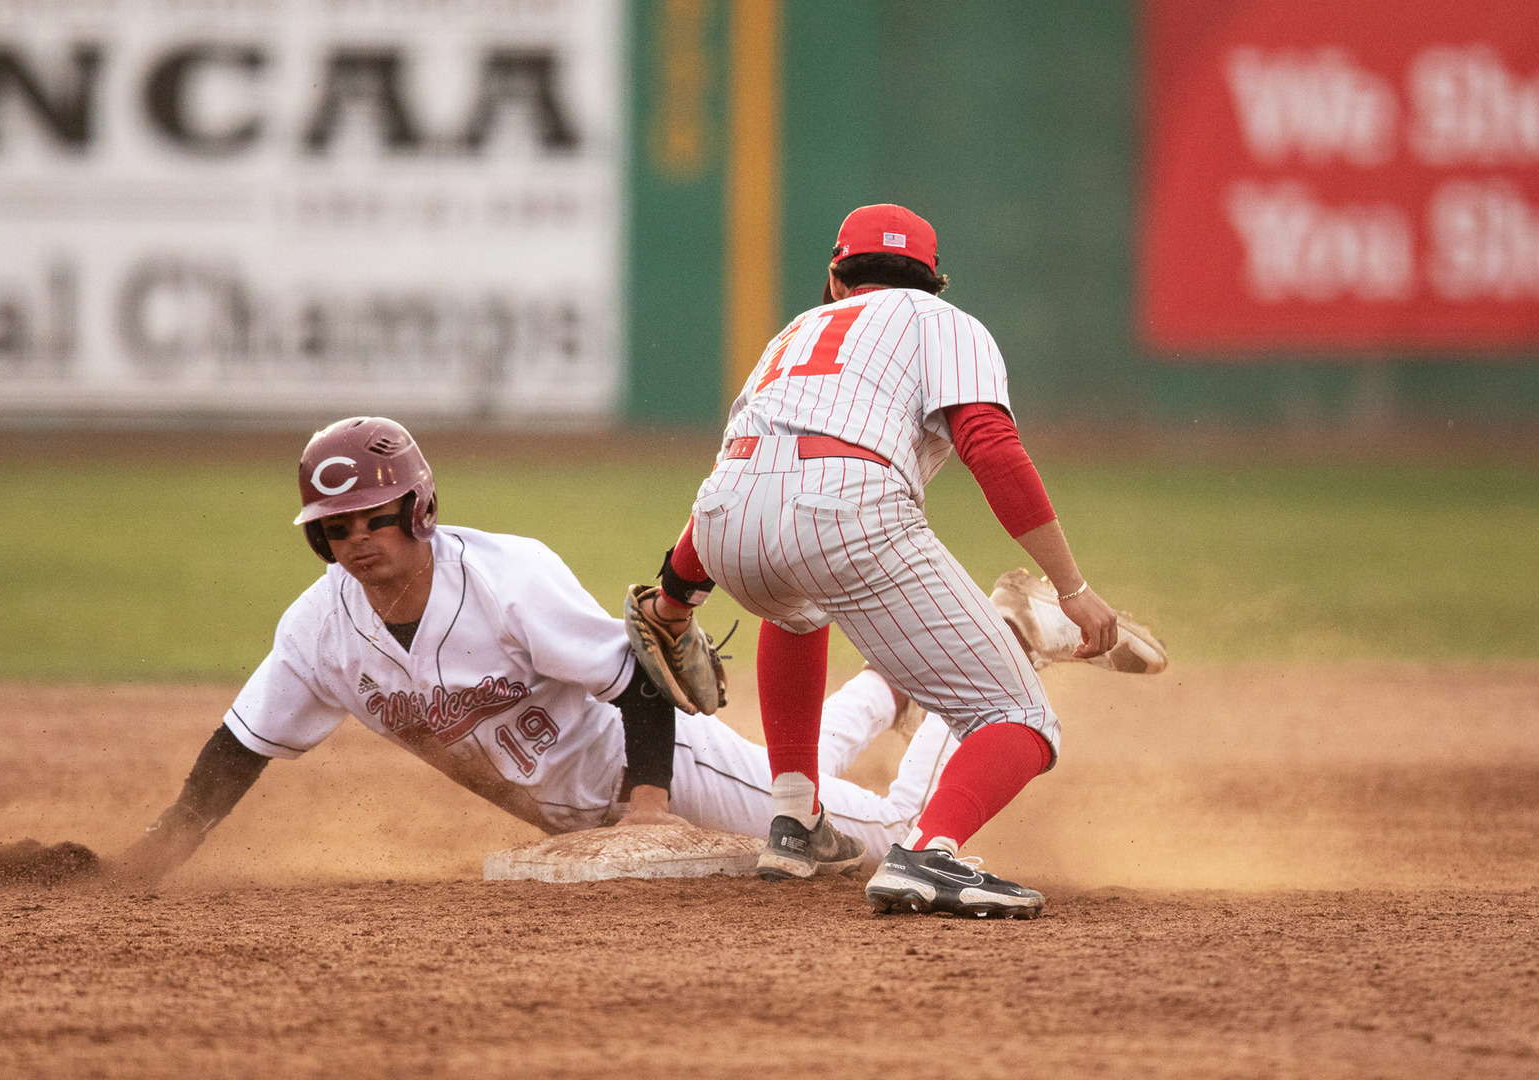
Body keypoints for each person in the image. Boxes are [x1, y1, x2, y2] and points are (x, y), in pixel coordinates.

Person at [115, 416, 1148, 884]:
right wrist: (158, 856)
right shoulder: (318, 631)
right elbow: (240, 746)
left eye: (373, 519)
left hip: (660, 772)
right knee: (800, 776)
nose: (356, 544)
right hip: (581, 804)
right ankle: (904, 675)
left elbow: (639, 678)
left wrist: (647, 814)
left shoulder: (508, 579)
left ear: (420, 508)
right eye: (333, 532)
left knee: (894, 835)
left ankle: (999, 645)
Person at [632, 203, 1157, 917]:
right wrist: (1074, 586)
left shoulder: (791, 335)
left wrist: (673, 598)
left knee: (792, 607)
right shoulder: (944, 322)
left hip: (721, 527)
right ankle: (929, 853)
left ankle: (793, 821)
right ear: (933, 281)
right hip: (846, 512)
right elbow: (991, 446)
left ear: (836, 279)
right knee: (1018, 716)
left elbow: (741, 477)